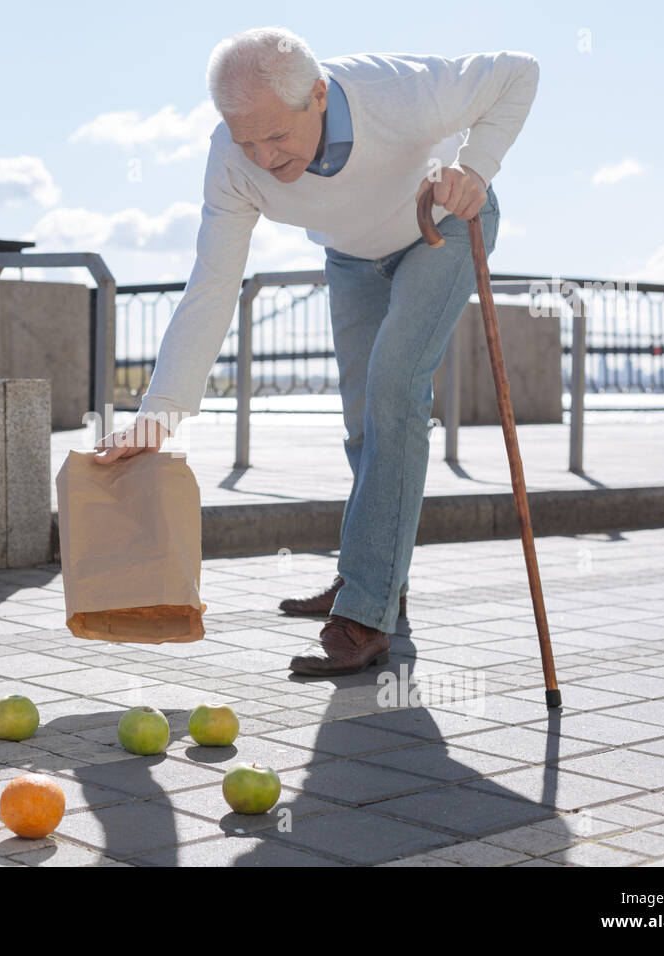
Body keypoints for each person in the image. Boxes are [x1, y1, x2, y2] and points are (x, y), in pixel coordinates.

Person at [93, 26, 537, 675]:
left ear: (320, 96)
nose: (264, 157)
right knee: (363, 419)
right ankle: (377, 579)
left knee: (395, 386)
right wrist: (159, 414)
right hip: (352, 258)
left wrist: (477, 167)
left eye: (277, 137)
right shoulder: (231, 160)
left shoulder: (400, 91)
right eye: (247, 140)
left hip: (441, 227)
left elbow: (517, 71)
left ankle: (365, 609)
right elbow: (214, 285)